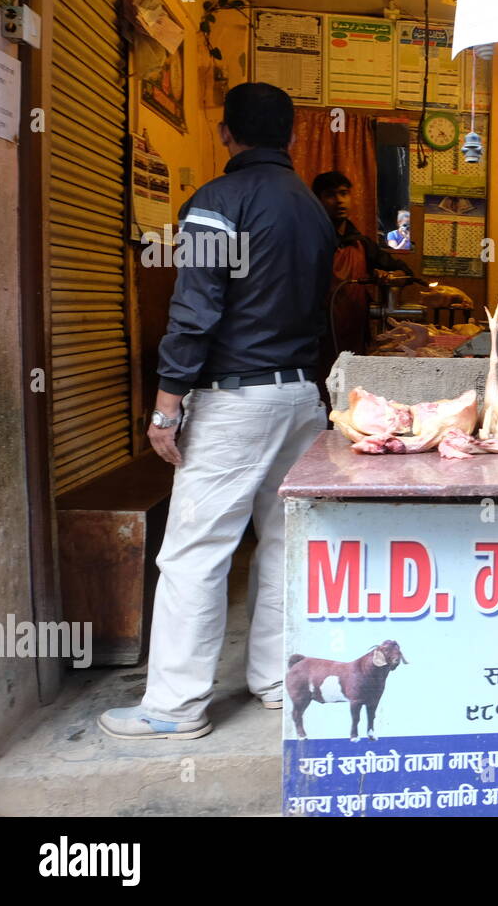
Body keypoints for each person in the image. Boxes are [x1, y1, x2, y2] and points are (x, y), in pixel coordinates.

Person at [99, 83, 336, 740]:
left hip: (237, 401)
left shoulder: (217, 202)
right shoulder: (314, 211)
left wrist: (167, 404)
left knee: (195, 552)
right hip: (300, 399)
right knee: (287, 542)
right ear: (290, 138)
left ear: (227, 134)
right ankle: (274, 682)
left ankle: (174, 709)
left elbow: (196, 308)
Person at [311, 171, 412, 367]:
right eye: (330, 195)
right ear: (318, 200)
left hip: (353, 336)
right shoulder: (307, 241)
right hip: (315, 339)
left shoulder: (361, 244)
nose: (339, 201)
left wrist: (390, 276)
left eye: (343, 193)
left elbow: (405, 271)